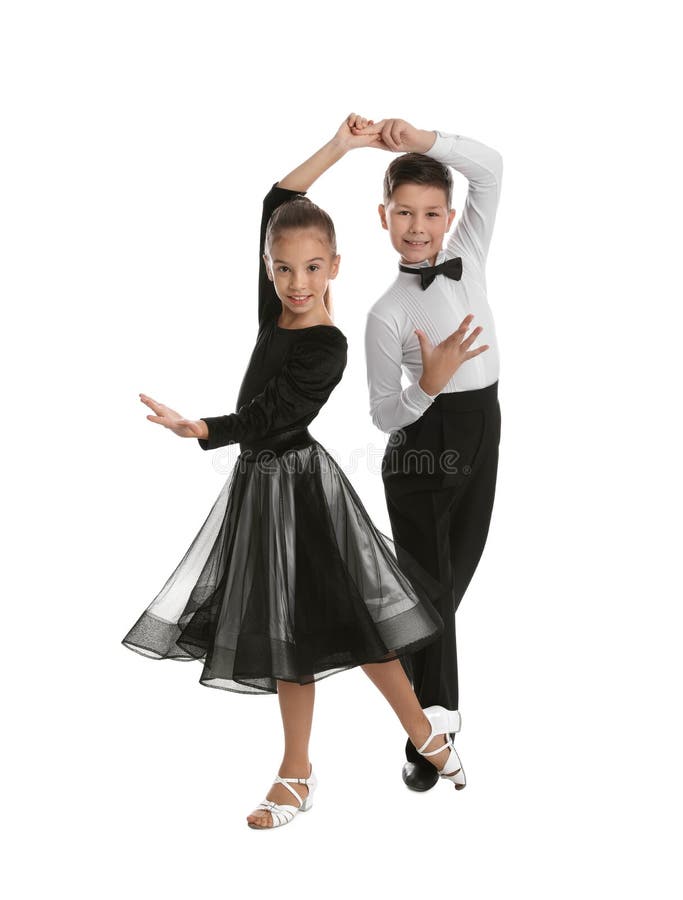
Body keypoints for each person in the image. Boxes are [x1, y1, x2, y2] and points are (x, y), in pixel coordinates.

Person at [121, 114, 468, 830]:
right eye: (283, 268)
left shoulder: (329, 346)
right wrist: (341, 147)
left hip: (299, 488)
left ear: (334, 267)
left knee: (358, 629)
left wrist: (204, 428)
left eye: (313, 268)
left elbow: (271, 418)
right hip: (260, 487)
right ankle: (296, 774)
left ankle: (427, 733)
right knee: (286, 633)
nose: (297, 282)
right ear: (268, 267)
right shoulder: (273, 307)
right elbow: (275, 197)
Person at [353, 116, 503, 792]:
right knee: (434, 587)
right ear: (382, 216)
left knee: (440, 589)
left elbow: (490, 166)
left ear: (448, 217)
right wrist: (429, 382)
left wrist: (419, 140)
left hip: (482, 426)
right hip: (423, 445)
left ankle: (415, 713)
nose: (418, 226)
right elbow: (384, 413)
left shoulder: (467, 253)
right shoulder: (384, 314)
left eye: (431, 213)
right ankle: (432, 731)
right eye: (404, 213)